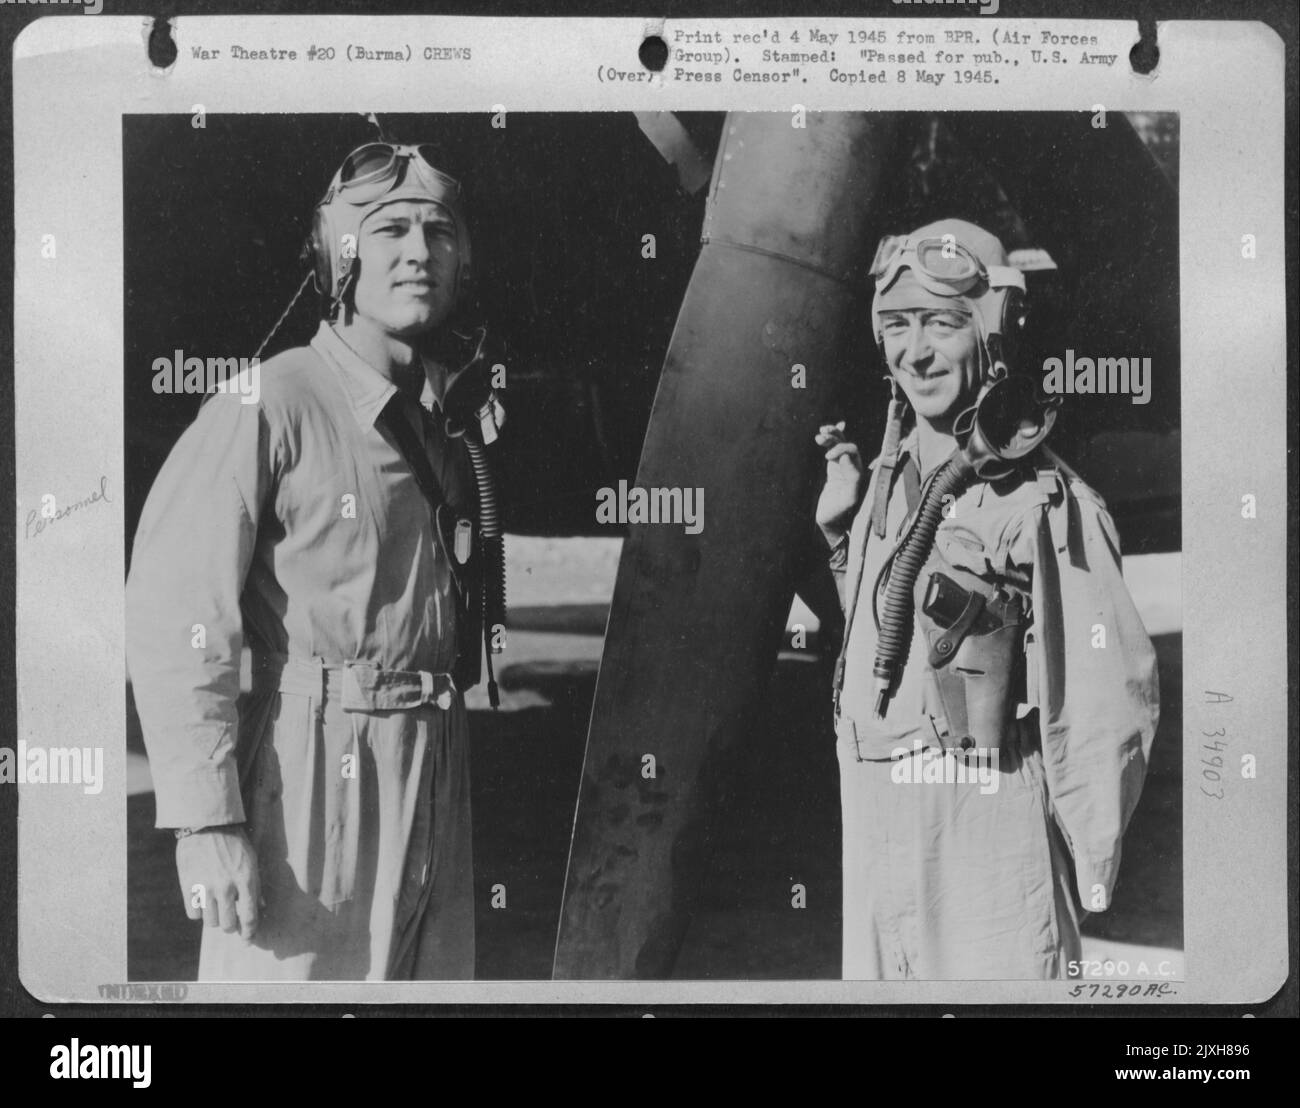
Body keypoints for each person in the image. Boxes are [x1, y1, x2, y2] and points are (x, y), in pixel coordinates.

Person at [127, 142, 504, 980]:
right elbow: (177, 609)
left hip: (435, 757)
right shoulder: (273, 400)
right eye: (392, 230)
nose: (419, 252)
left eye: (440, 233)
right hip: (311, 773)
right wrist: (206, 823)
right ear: (342, 253)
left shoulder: (444, 418)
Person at [814, 218, 1159, 980]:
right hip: (876, 825)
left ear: (995, 331)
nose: (916, 351)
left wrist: (1086, 855)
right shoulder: (882, 481)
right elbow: (887, 651)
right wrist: (844, 539)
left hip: (983, 833)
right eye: (897, 326)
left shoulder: (1045, 502)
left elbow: (1104, 698)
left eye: (943, 324)